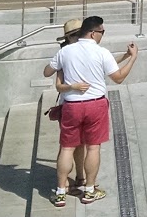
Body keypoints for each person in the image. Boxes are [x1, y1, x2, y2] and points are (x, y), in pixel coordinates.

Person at [47, 16, 138, 207]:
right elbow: (118, 77)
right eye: (102, 32)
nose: (102, 36)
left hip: (71, 106)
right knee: (93, 147)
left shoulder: (65, 52)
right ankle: (89, 190)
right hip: (95, 105)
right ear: (94, 32)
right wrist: (133, 58)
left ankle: (61, 191)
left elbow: (48, 71)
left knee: (66, 148)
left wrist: (59, 66)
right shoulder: (101, 52)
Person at [43, 19, 88, 195]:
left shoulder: (76, 52)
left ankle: (79, 178)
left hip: (75, 105)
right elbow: (54, 80)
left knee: (78, 145)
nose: (78, 38)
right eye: (74, 35)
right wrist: (73, 86)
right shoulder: (65, 54)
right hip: (71, 104)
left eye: (79, 34)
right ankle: (63, 186)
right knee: (69, 147)